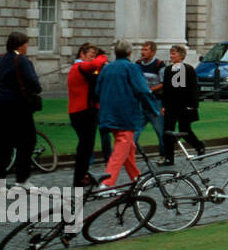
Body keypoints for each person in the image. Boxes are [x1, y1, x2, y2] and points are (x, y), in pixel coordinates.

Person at [97, 39, 161, 188]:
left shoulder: (107, 68)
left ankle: (136, 178)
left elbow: (97, 91)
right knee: (121, 147)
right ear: (129, 53)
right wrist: (153, 109)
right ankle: (107, 182)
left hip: (108, 113)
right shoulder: (132, 68)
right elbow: (143, 90)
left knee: (129, 147)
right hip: (125, 114)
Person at [0, 31, 42, 188]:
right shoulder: (22, 61)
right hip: (15, 107)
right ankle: (22, 179)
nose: (27, 47)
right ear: (21, 45)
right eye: (26, 44)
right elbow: (35, 85)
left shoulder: (1, 59)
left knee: (1, 146)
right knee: (27, 142)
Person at [68, 42, 109, 187]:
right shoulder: (79, 67)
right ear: (82, 54)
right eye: (90, 55)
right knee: (85, 146)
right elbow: (96, 64)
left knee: (86, 146)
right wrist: (102, 55)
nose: (93, 58)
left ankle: (82, 175)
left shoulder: (80, 68)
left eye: (93, 55)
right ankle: (79, 177)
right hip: (83, 111)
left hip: (82, 111)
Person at [161, 44, 205, 164]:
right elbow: (166, 89)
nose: (171, 56)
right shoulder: (168, 69)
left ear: (181, 56)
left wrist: (193, 105)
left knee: (185, 131)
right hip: (171, 105)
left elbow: (193, 88)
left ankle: (199, 146)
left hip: (185, 106)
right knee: (167, 131)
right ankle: (169, 157)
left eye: (174, 54)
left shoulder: (189, 69)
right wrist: (164, 105)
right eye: (171, 53)